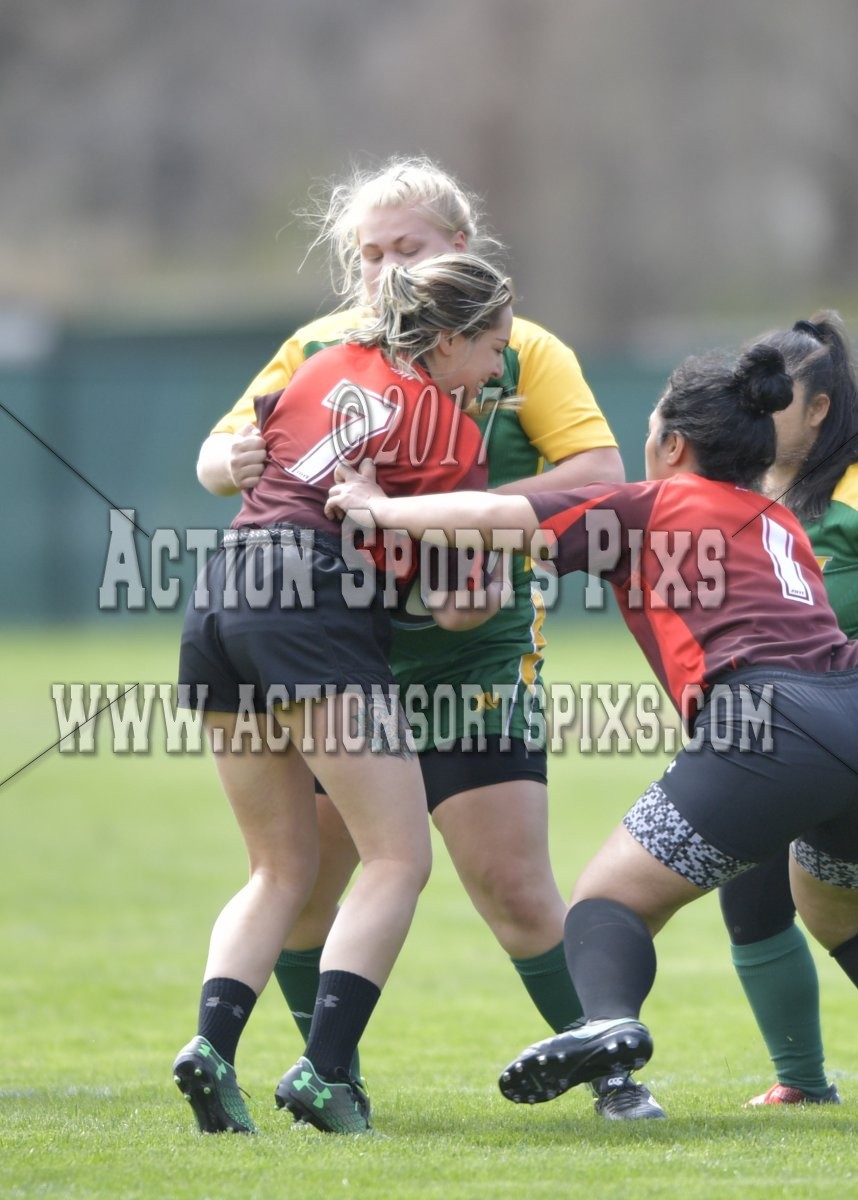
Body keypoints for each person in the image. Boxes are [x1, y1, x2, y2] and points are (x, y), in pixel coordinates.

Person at [197, 158, 664, 1121]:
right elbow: (219, 457)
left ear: (459, 247)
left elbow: (598, 473)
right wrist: (229, 456)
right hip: (336, 647)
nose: (382, 267)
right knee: (312, 881)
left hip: (469, 650)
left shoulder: (519, 345)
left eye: (404, 247)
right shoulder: (320, 345)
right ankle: (333, 1069)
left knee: (512, 884)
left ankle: (609, 1075)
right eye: (367, 252)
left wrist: (469, 515)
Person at [325, 336, 858, 1114]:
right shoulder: (781, 524)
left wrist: (379, 509)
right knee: (832, 903)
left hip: (768, 720)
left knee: (609, 900)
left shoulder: (655, 503)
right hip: (846, 706)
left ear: (673, 444)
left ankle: (609, 1023)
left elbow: (496, 516)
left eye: (649, 430)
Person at [172, 252, 514, 1136]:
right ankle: (324, 1072)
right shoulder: (452, 433)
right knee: (398, 858)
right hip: (313, 602)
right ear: (445, 342)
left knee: (278, 868)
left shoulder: (320, 362)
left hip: (222, 592)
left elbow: (249, 465)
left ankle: (210, 1048)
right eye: (491, 346)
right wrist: (490, 583)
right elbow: (451, 604)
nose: (498, 366)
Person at [718, 312, 858, 1105]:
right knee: (751, 893)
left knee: (838, 907)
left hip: (846, 719)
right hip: (771, 727)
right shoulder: (736, 490)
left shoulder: (852, 492)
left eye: (777, 399)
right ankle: (801, 1082)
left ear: (820, 410)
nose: (756, 413)